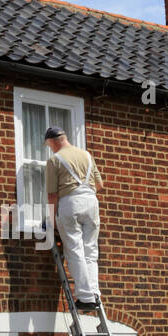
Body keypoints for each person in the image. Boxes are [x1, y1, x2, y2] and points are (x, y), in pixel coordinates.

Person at [44, 126, 104, 311]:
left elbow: (52, 195)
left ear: (53, 141)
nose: (50, 148)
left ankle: (86, 298)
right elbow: (100, 184)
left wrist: (52, 218)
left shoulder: (55, 160)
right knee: (90, 251)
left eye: (49, 145)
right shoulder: (87, 155)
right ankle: (94, 293)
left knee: (75, 250)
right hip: (91, 202)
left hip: (71, 203)